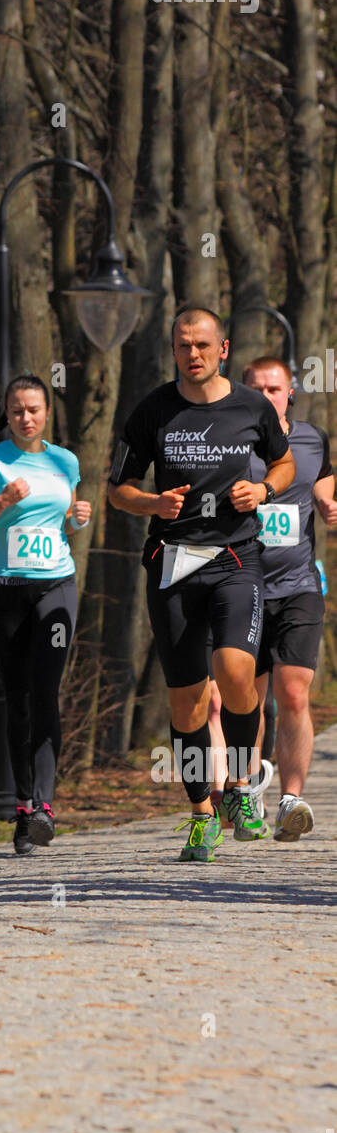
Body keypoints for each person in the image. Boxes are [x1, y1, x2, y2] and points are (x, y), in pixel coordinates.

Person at [107, 305, 295, 861]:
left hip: (237, 556)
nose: (192, 354)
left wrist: (262, 492)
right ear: (174, 351)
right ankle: (201, 813)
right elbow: (119, 487)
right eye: (183, 345)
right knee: (187, 702)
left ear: (223, 350)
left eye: (202, 345)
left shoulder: (250, 406)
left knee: (237, 671)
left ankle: (242, 786)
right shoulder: (153, 411)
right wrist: (153, 502)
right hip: (173, 560)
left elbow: (282, 466)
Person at [0, 374, 90, 855]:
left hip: (56, 586)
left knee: (46, 690)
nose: (26, 417)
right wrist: (3, 500)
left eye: (34, 409)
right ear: (7, 414)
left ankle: (45, 805)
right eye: (17, 410)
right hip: (5, 591)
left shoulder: (65, 461)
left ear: (47, 412)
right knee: (18, 697)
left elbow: (62, 525)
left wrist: (76, 519)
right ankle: (23, 808)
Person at [234, 356, 335, 839]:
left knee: (293, 691)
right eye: (256, 389)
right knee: (246, 700)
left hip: (298, 586)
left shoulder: (313, 438)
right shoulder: (230, 442)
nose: (266, 396)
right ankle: (249, 790)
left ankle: (291, 799)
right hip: (240, 583)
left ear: (290, 392)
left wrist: (329, 502)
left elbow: (323, 484)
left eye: (275, 389)